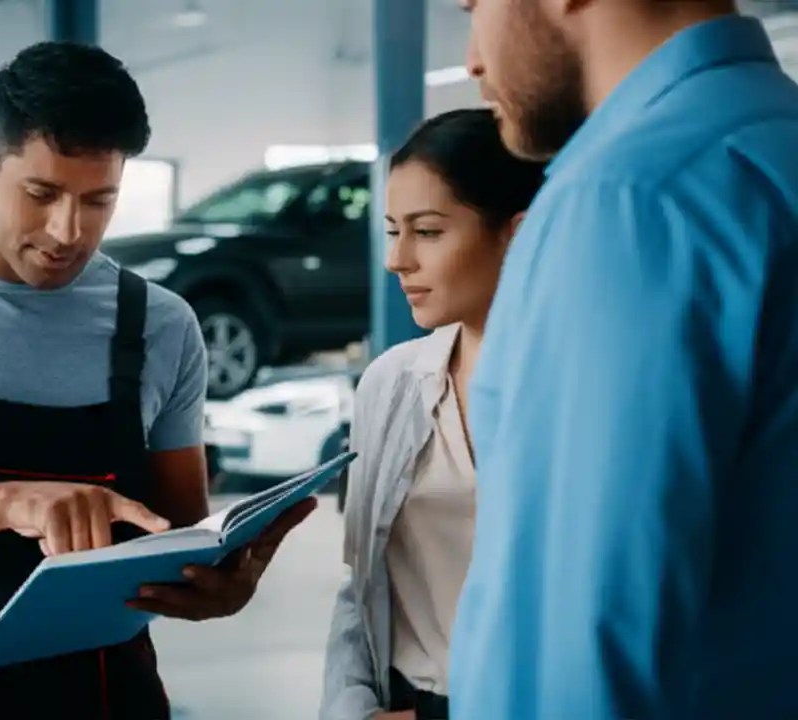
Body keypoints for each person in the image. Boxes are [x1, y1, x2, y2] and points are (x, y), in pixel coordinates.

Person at [0, 41, 315, 720]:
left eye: (100, 201)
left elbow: (178, 531)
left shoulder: (162, 326)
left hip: (107, 693)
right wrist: (14, 503)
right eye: (41, 194)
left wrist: (221, 584)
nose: (68, 231)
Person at [450, 1, 798, 718]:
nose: (472, 59)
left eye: (473, 5)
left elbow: (578, 646)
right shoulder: (773, 142)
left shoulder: (629, 198)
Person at [318, 109, 545, 720]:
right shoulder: (390, 385)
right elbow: (362, 590)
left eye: (427, 231)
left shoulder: (578, 397)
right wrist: (350, 710)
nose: (398, 260)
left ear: (517, 234)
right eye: (392, 230)